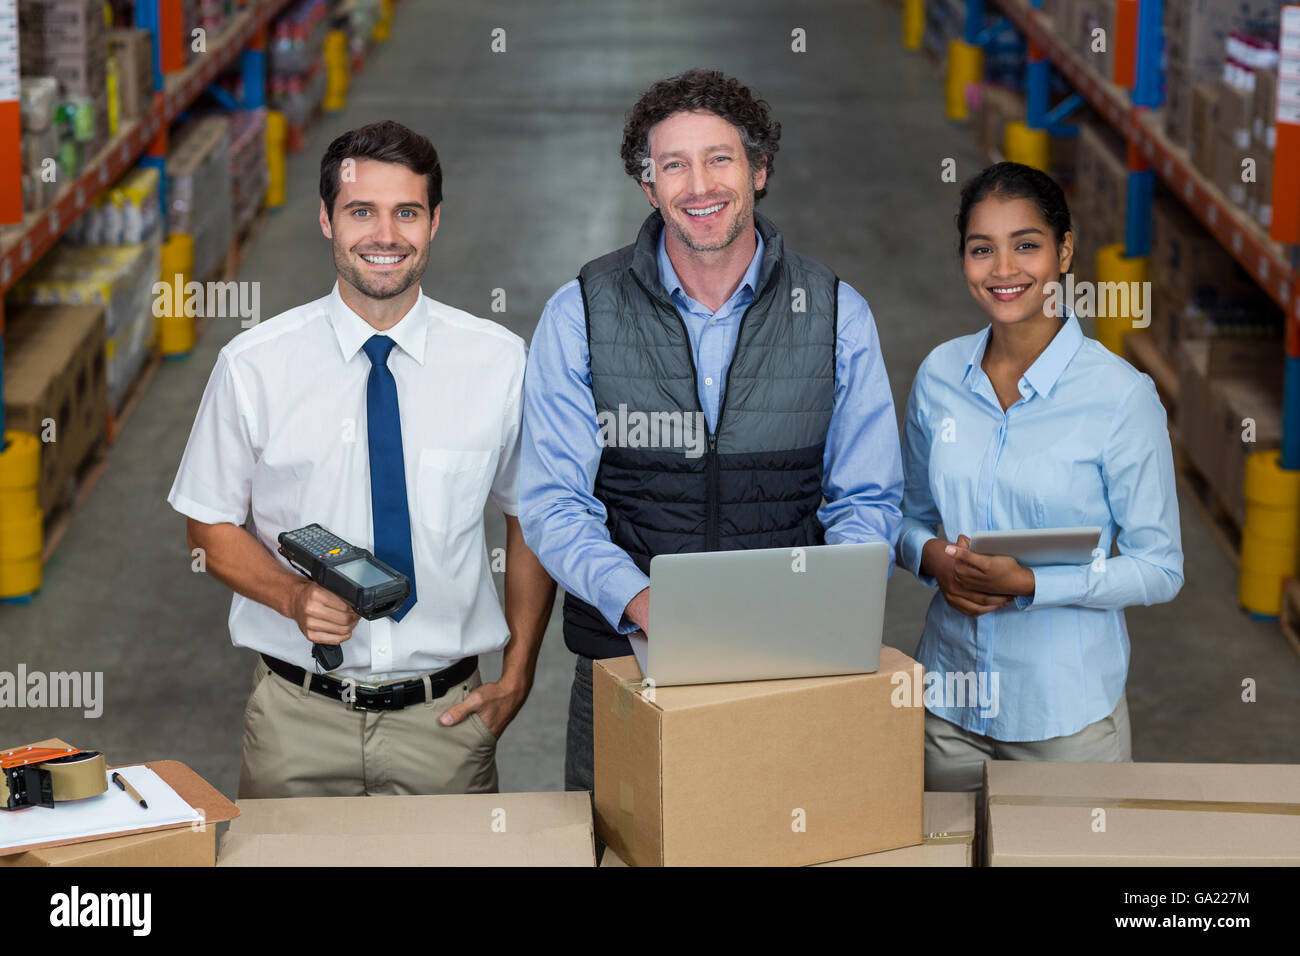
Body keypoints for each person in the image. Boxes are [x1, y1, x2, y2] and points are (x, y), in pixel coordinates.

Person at [519, 69, 905, 795]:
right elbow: (552, 503)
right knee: (620, 847)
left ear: (759, 171)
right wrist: (642, 604)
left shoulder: (833, 313)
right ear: (648, 185)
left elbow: (869, 500)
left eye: (719, 159)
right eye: (674, 165)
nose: (699, 185)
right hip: (625, 668)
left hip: (789, 668)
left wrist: (820, 608)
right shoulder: (581, 314)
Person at [168, 121, 555, 798]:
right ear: (325, 219)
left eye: (406, 212)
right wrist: (292, 596)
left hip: (445, 721)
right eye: (360, 211)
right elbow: (208, 525)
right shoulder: (254, 367)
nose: (384, 235)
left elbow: (532, 520)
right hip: (296, 721)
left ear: (434, 222)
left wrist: (518, 671)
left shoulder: (499, 363)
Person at [897, 161, 1183, 792]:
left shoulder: (1120, 397)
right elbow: (905, 514)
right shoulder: (941, 376)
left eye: (1026, 245)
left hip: (1065, 723)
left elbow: (1160, 568)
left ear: (1064, 252)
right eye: (982, 249)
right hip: (947, 709)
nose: (1004, 270)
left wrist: (1031, 583)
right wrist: (931, 557)